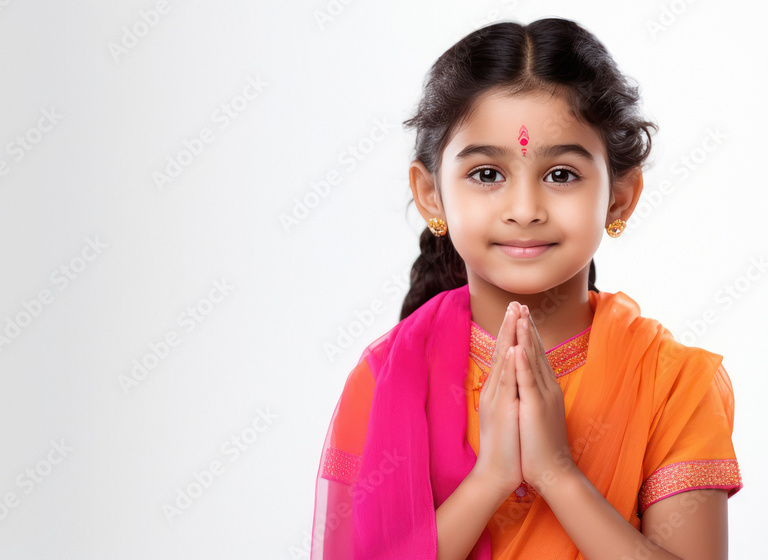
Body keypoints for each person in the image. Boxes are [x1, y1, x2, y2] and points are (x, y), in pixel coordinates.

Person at [308, 17, 743, 560]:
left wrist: (557, 473)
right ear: (430, 195)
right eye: (487, 174)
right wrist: (490, 478)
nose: (524, 210)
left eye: (561, 175)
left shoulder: (673, 384)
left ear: (620, 198)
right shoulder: (383, 382)